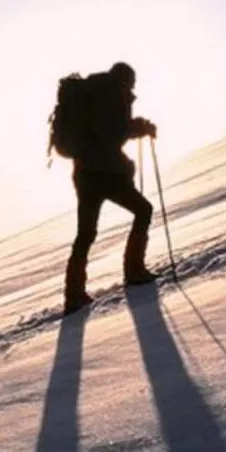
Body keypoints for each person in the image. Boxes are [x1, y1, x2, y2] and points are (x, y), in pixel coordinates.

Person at [62, 62, 159, 315]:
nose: (133, 88)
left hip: (84, 174)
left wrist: (134, 125)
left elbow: (107, 131)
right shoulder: (111, 94)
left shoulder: (94, 93)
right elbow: (113, 133)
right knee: (143, 210)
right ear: (125, 79)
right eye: (132, 83)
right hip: (107, 174)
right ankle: (134, 270)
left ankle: (73, 295)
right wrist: (140, 127)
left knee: (85, 234)